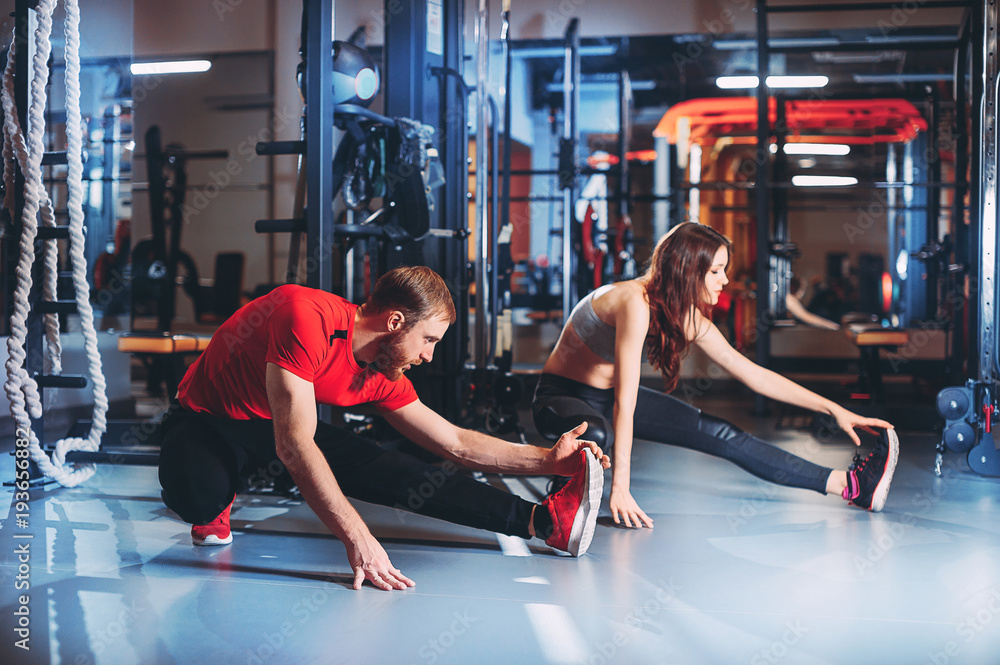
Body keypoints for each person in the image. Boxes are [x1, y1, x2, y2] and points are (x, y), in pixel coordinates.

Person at [158, 266, 610, 591]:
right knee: (198, 498)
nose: (429, 356)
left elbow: (453, 441)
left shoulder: (378, 371)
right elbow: (294, 446)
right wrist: (360, 540)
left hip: (279, 425)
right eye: (428, 340)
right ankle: (220, 494)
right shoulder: (306, 316)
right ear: (395, 322)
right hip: (208, 420)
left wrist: (547, 459)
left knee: (393, 468)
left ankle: (543, 521)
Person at [532, 222, 898, 529]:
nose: (724, 280)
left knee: (721, 433)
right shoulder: (634, 302)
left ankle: (851, 486)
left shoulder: (683, 314)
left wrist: (834, 409)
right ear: (688, 270)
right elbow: (625, 404)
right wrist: (621, 487)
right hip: (561, 397)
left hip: (607, 398)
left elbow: (754, 375)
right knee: (597, 433)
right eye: (716, 270)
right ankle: (561, 495)